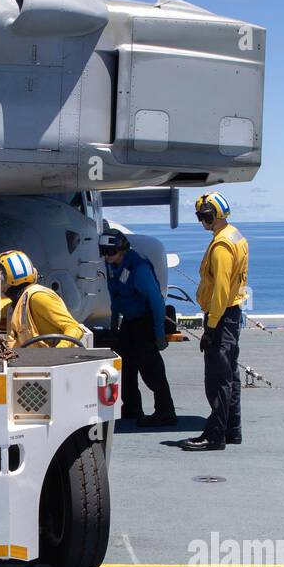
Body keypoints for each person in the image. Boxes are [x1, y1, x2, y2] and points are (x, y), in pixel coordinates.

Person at [180, 192, 249, 452]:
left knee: (217, 379)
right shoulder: (235, 235)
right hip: (233, 314)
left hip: (221, 316)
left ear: (211, 215)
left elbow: (220, 289)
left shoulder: (221, 246)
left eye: (202, 216)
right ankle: (232, 429)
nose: (201, 221)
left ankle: (215, 436)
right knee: (230, 375)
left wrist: (210, 327)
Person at [100, 228, 177, 427]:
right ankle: (132, 408)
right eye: (104, 252)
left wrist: (159, 334)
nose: (106, 256)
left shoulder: (139, 267)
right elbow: (115, 295)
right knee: (124, 366)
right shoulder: (113, 265)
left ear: (122, 249)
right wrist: (114, 323)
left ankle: (165, 411)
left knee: (151, 369)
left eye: (110, 252)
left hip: (145, 320)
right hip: (129, 321)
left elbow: (157, 302)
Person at [0, 250, 84, 348]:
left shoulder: (38, 297)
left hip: (48, 357)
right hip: (28, 356)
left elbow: (74, 328)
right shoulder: (18, 303)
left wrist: (57, 352)